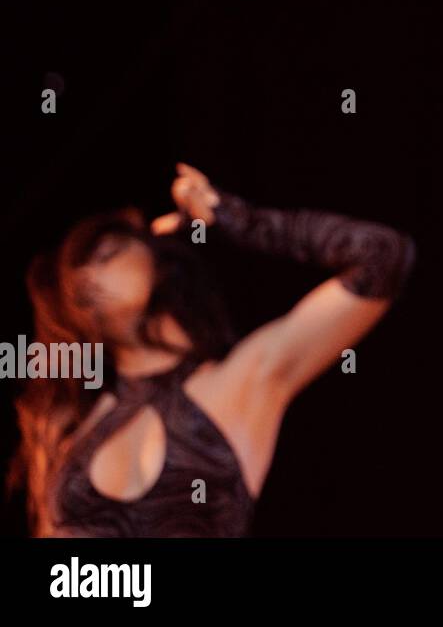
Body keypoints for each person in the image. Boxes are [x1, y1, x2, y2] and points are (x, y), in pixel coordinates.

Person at [6, 162, 416, 536]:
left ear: (156, 261)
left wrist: (237, 219)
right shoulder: (65, 422)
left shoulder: (242, 382)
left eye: (106, 250)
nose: (87, 273)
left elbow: (383, 257)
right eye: (77, 271)